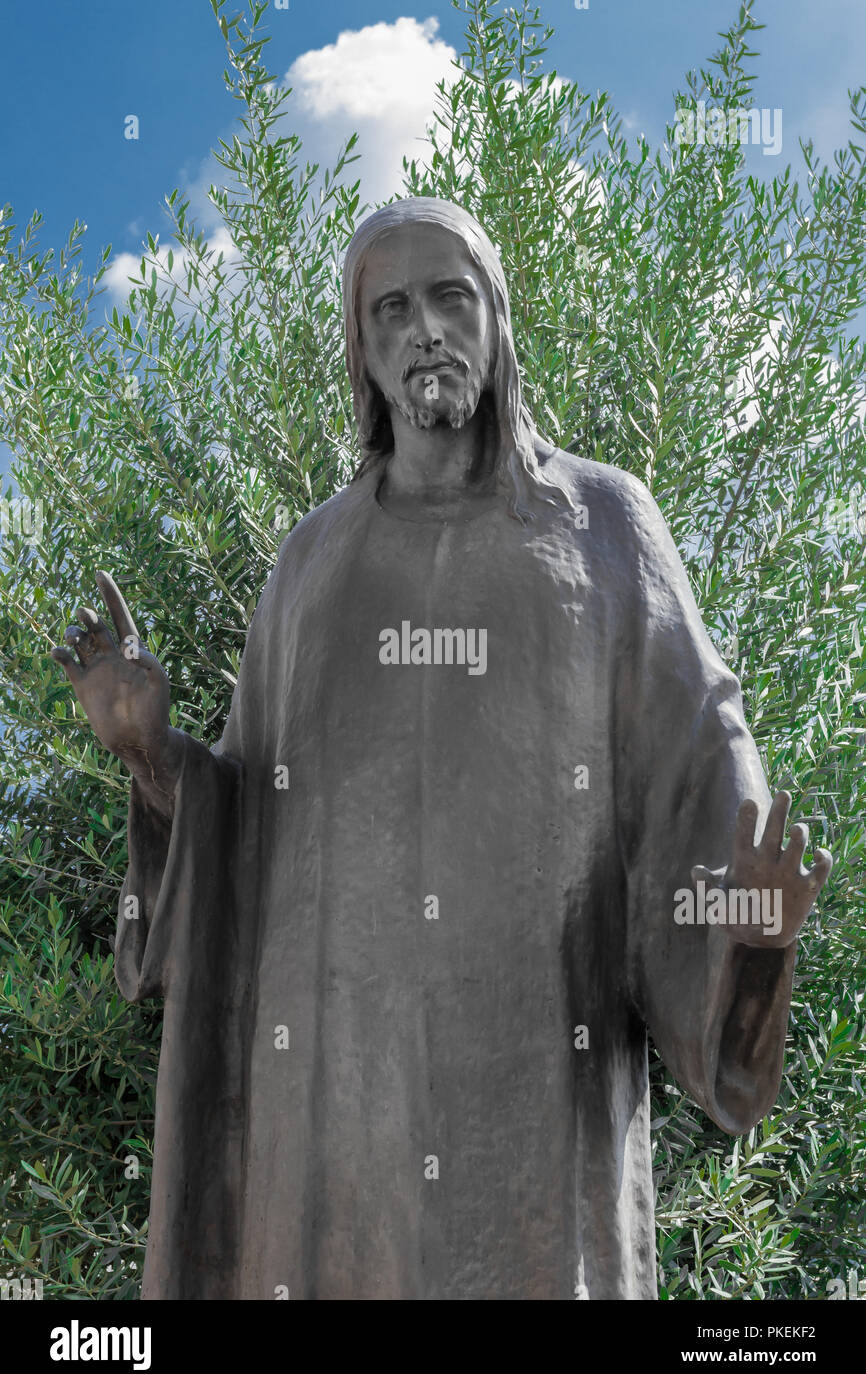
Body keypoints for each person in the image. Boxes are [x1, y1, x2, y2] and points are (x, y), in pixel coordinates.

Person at [51, 197, 831, 1299]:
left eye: (449, 297)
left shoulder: (606, 527)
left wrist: (744, 924)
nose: (424, 329)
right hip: (330, 1106)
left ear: (495, 318)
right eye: (391, 309)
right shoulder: (309, 564)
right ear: (362, 351)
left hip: (529, 1091)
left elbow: (700, 764)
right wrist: (152, 755)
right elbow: (245, 831)